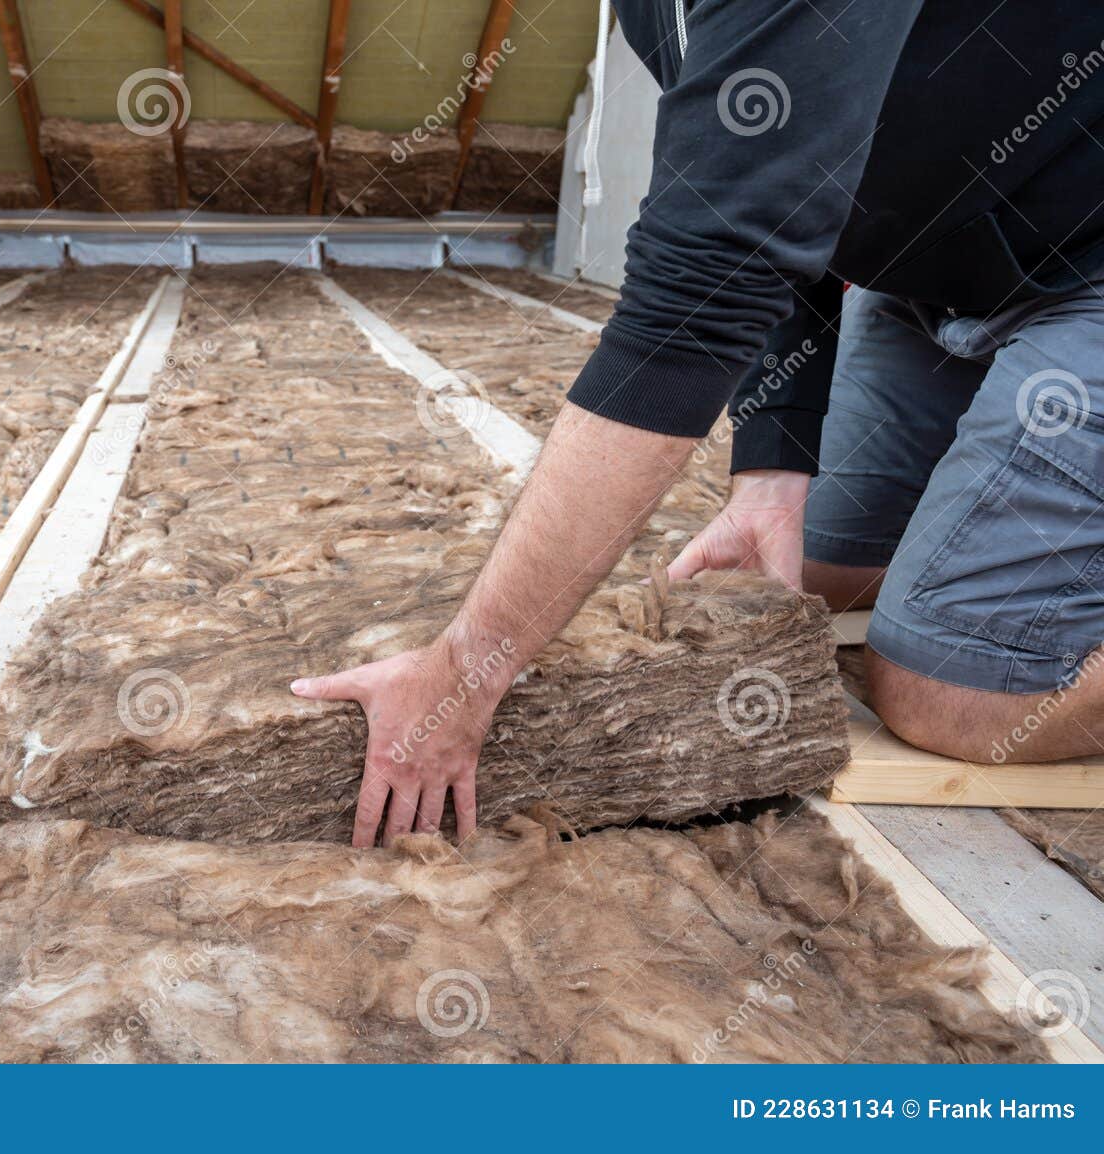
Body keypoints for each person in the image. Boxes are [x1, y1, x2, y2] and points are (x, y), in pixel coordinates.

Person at [292, 0, 1104, 847]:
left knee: (951, 695)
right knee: (817, 576)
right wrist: (770, 476)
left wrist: (463, 675)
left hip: (1088, 268)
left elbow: (700, 299)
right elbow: (774, 191)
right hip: (942, 283)